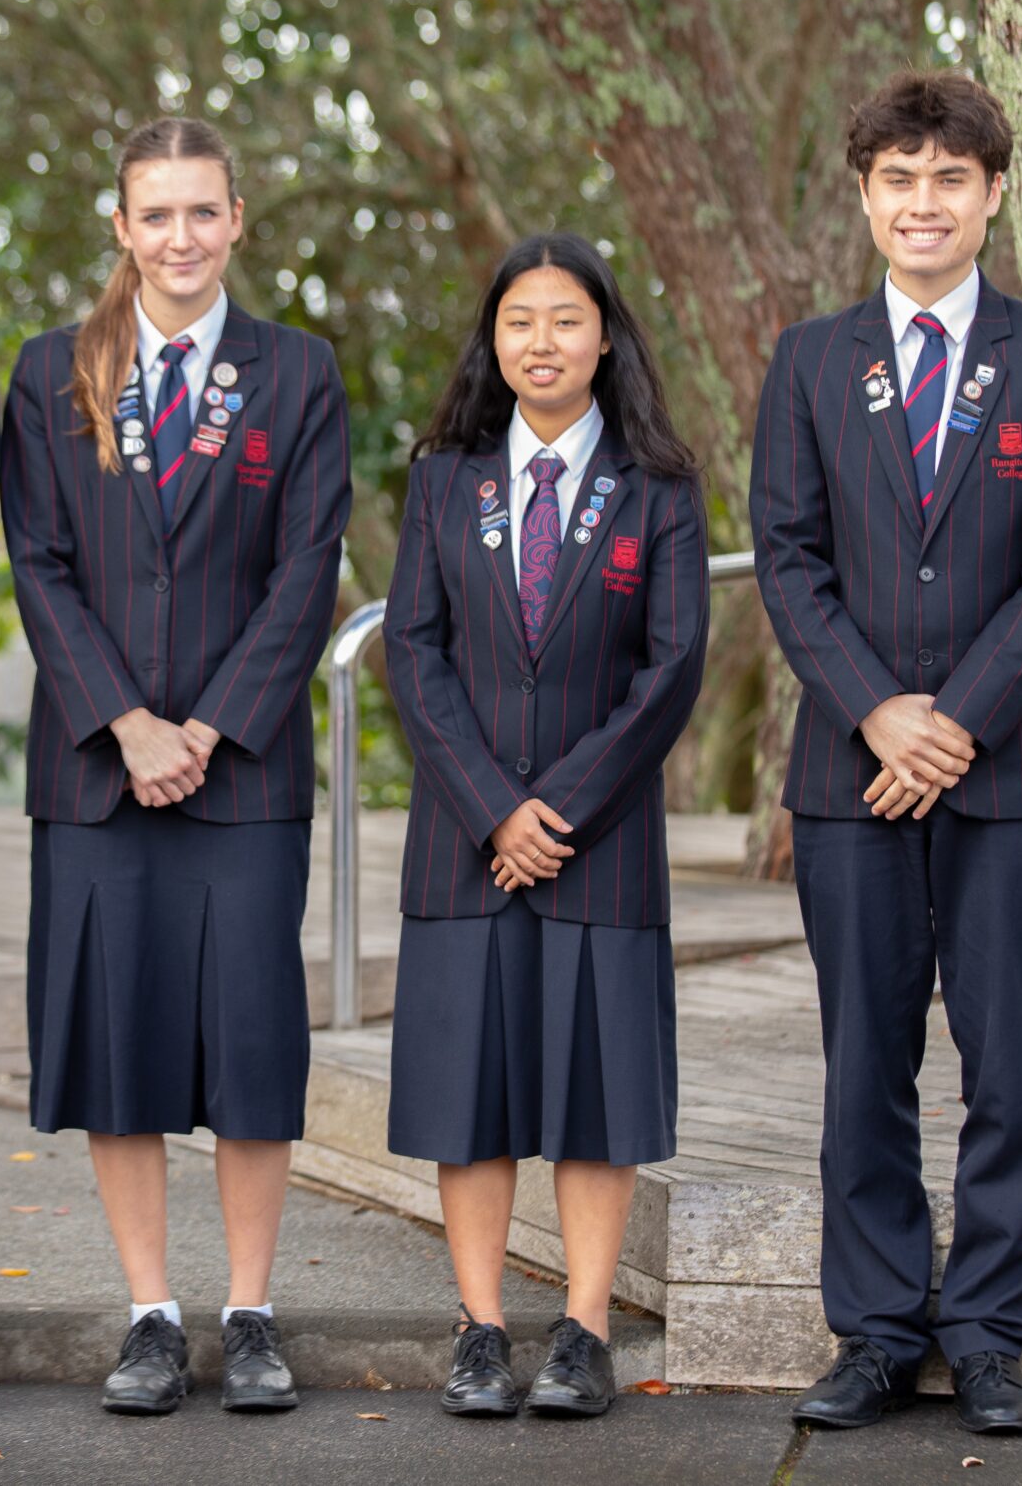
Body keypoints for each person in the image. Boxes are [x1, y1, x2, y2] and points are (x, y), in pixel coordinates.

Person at [749, 70, 1022, 1435]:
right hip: (850, 776)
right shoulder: (811, 360)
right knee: (866, 1063)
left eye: (948, 177)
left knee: (1011, 1063)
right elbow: (787, 554)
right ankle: (880, 1329)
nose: (923, 200)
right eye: (898, 178)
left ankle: (992, 1330)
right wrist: (874, 709)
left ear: (992, 192)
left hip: (1009, 775)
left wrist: (952, 719)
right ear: (864, 196)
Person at [0, 115, 351, 1416]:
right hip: (97, 773)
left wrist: (205, 725)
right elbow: (38, 563)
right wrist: (125, 722)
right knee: (117, 1039)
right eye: (158, 213)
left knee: (253, 1041)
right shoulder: (52, 373)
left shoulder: (298, 373)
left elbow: (305, 565)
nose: (182, 236)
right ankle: (152, 1311)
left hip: (242, 769)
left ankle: (250, 1309)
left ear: (237, 219)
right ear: (122, 224)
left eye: (204, 211)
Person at [384, 231, 710, 1419]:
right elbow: (411, 654)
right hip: (463, 844)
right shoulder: (442, 483)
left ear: (605, 336)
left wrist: (556, 807)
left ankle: (580, 1331)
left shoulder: (657, 489)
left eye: (565, 319)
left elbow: (672, 668)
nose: (541, 341)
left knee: (590, 1096)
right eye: (519, 320)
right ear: (494, 339)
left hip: (599, 844)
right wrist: (490, 808)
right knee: (468, 1100)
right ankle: (478, 1329)